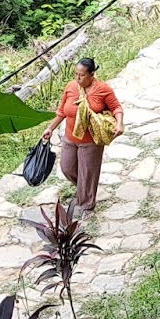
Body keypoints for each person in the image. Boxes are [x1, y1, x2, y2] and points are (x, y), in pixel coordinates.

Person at [41, 57, 124, 214]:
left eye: (82, 75)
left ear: (92, 74)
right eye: (76, 74)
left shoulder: (103, 89)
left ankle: (86, 205)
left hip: (91, 141)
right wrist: (50, 128)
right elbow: (61, 111)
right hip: (70, 137)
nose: (77, 78)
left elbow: (116, 108)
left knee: (88, 172)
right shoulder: (71, 87)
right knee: (67, 168)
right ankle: (85, 189)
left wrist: (119, 123)